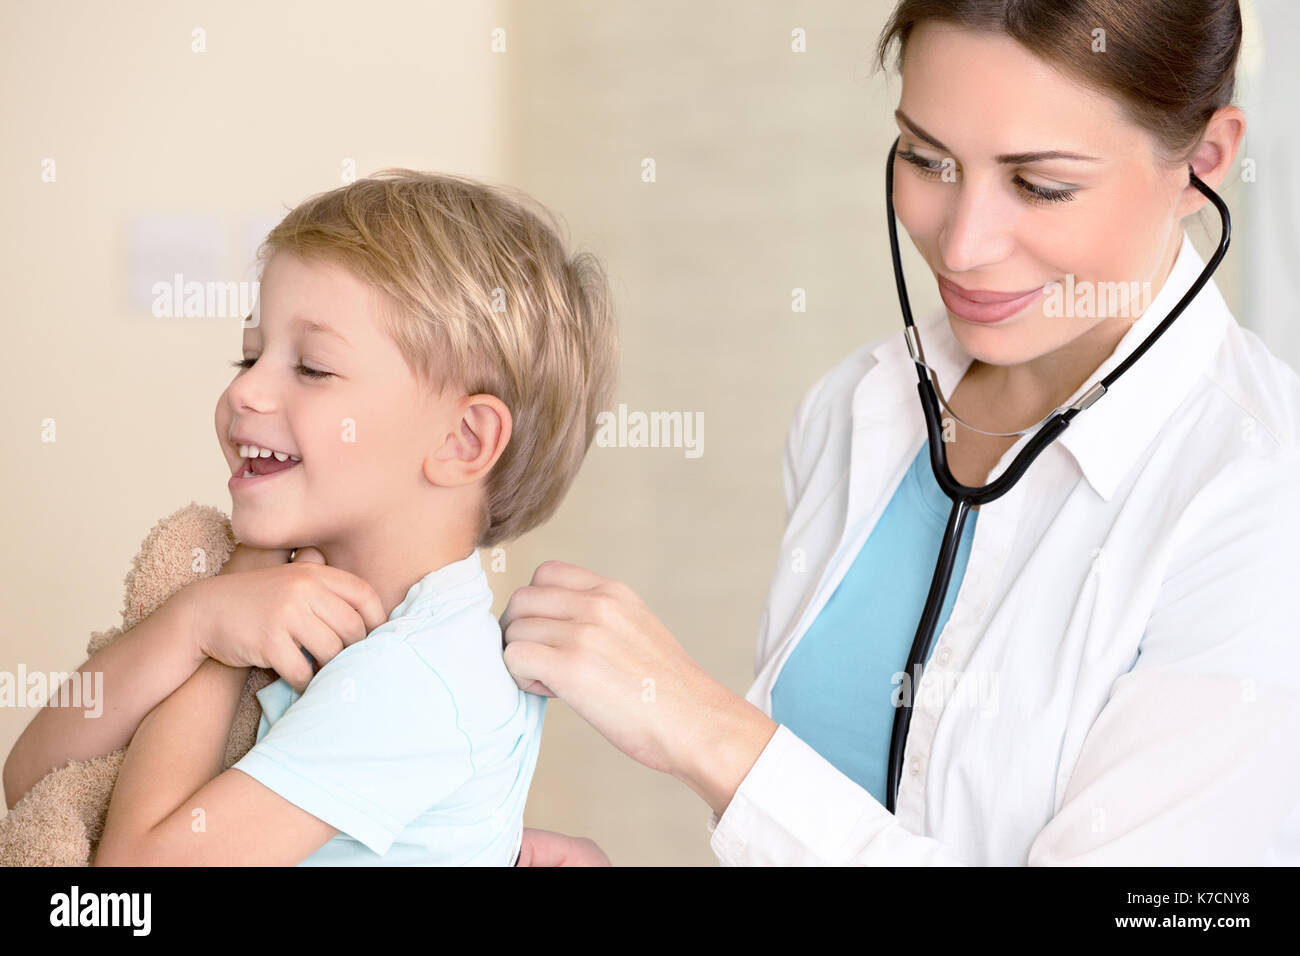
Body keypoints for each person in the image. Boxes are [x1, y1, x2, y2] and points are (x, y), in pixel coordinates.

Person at [503, 0, 1300, 865]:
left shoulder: (1259, 495)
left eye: (1040, 185)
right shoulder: (857, 408)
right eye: (927, 159)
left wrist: (709, 736)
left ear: (1205, 163)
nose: (962, 245)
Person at [5, 171, 619, 866]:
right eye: (249, 353)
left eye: (314, 368)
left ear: (462, 442)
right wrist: (193, 620)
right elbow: (33, 780)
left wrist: (216, 637)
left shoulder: (416, 679)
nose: (244, 389)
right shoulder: (274, 600)